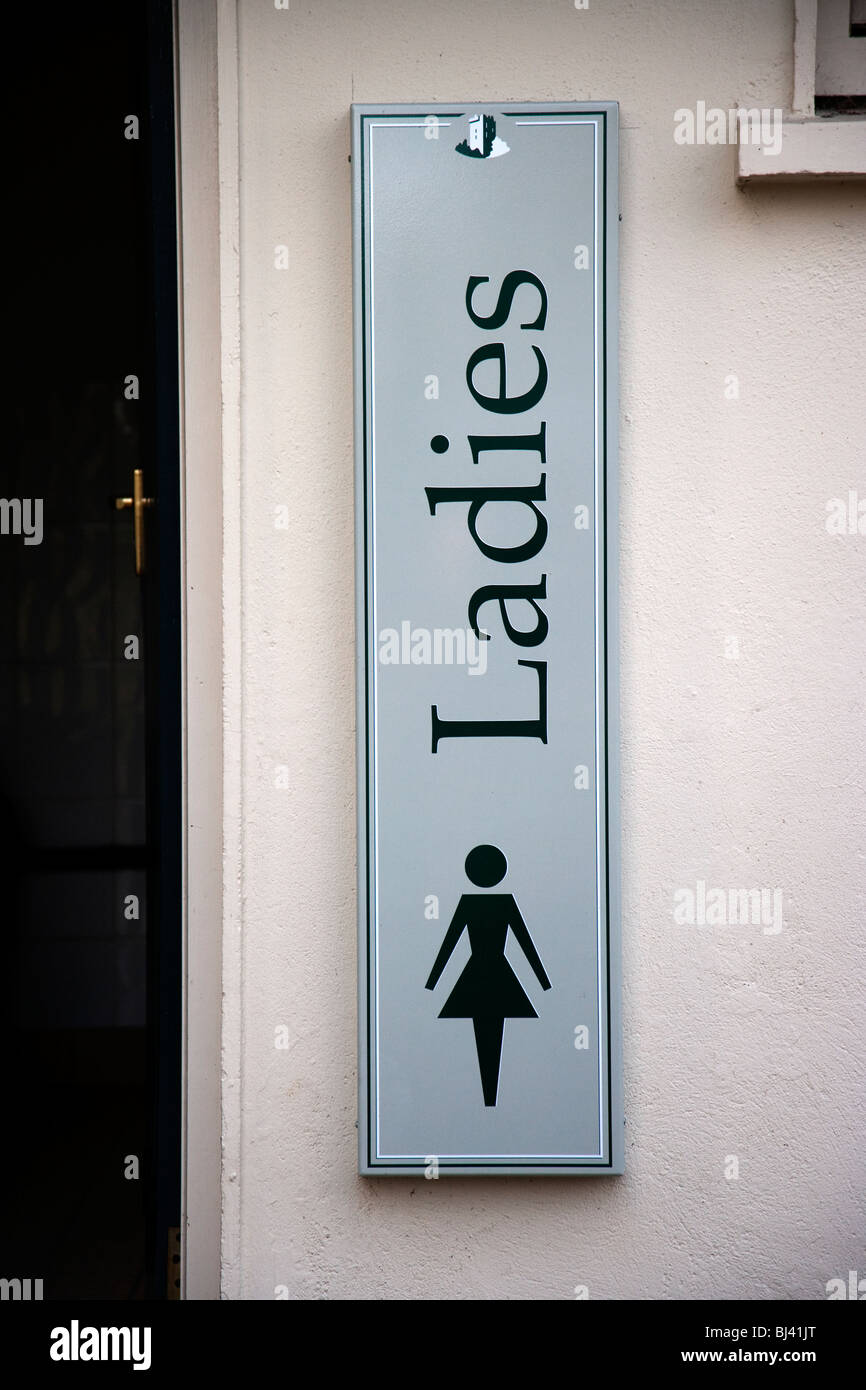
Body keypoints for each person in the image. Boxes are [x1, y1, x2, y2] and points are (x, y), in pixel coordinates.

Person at [425, 844, 551, 1107]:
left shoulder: (471, 902)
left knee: (486, 1033)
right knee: (491, 1033)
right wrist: (542, 982)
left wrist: (433, 983)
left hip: (477, 974)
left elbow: (450, 945)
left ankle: (489, 1100)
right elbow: (525, 944)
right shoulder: (501, 902)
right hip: (498, 974)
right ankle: (489, 1100)